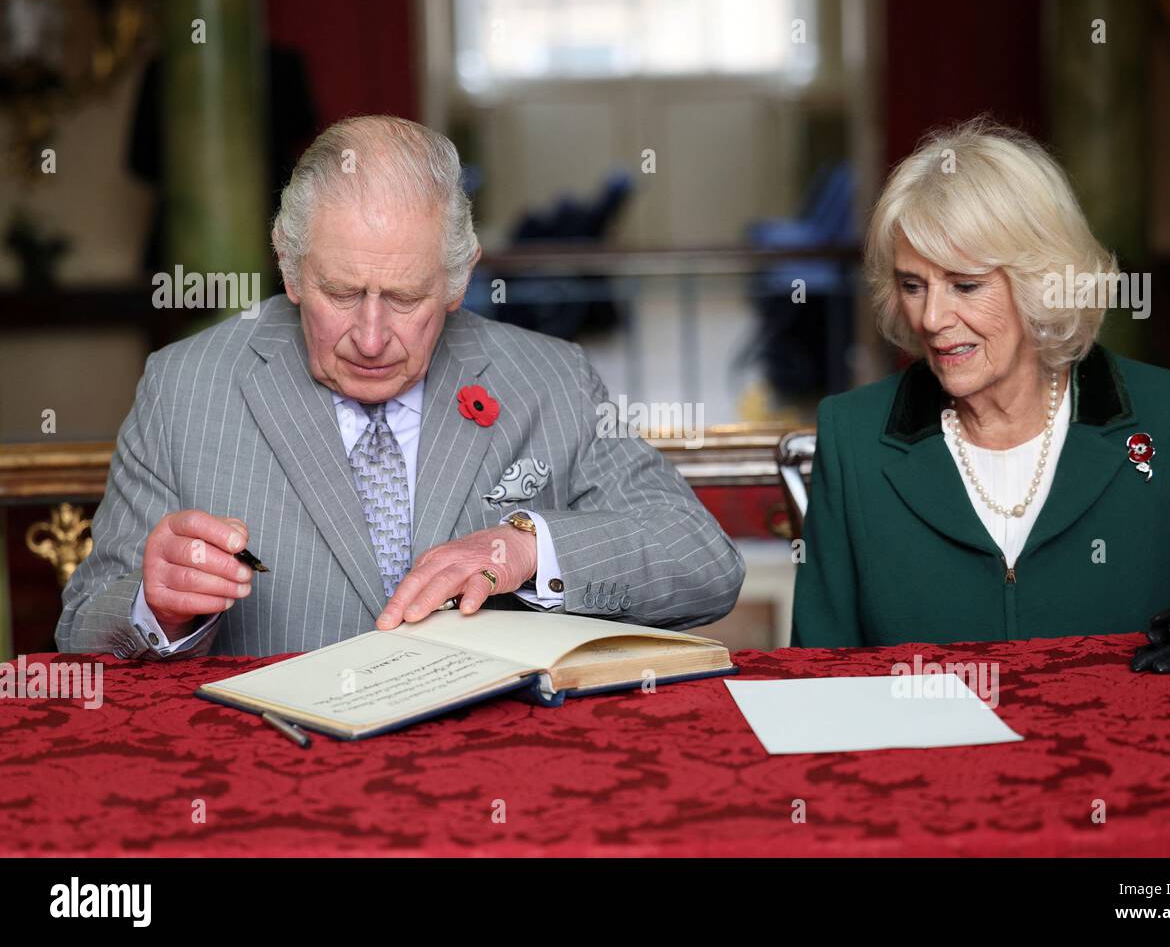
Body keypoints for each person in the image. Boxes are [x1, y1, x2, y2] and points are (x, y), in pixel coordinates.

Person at [58, 115, 744, 658]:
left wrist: (524, 548)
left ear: (458, 278)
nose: (373, 335)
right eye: (341, 292)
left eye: (408, 296)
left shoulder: (552, 378)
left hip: (493, 780)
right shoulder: (183, 388)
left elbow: (703, 563)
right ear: (290, 268)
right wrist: (158, 607)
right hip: (273, 783)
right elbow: (82, 628)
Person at [793, 119, 1170, 647]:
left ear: (1040, 283)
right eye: (913, 285)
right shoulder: (853, 436)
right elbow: (816, 676)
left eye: (965, 285)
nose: (933, 317)